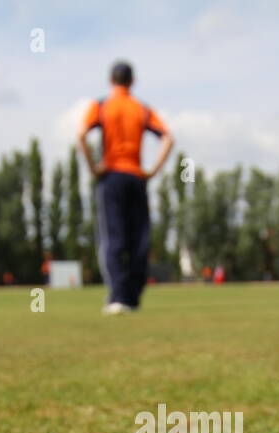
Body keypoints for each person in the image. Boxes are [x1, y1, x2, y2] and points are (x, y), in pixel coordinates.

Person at [77, 60, 175, 315]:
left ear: (111, 81)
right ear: (132, 82)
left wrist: (93, 168)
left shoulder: (101, 106)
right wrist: (153, 170)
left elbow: (80, 135)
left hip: (111, 177)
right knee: (139, 237)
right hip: (136, 176)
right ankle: (132, 297)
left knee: (113, 238)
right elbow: (168, 138)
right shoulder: (141, 109)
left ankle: (118, 297)